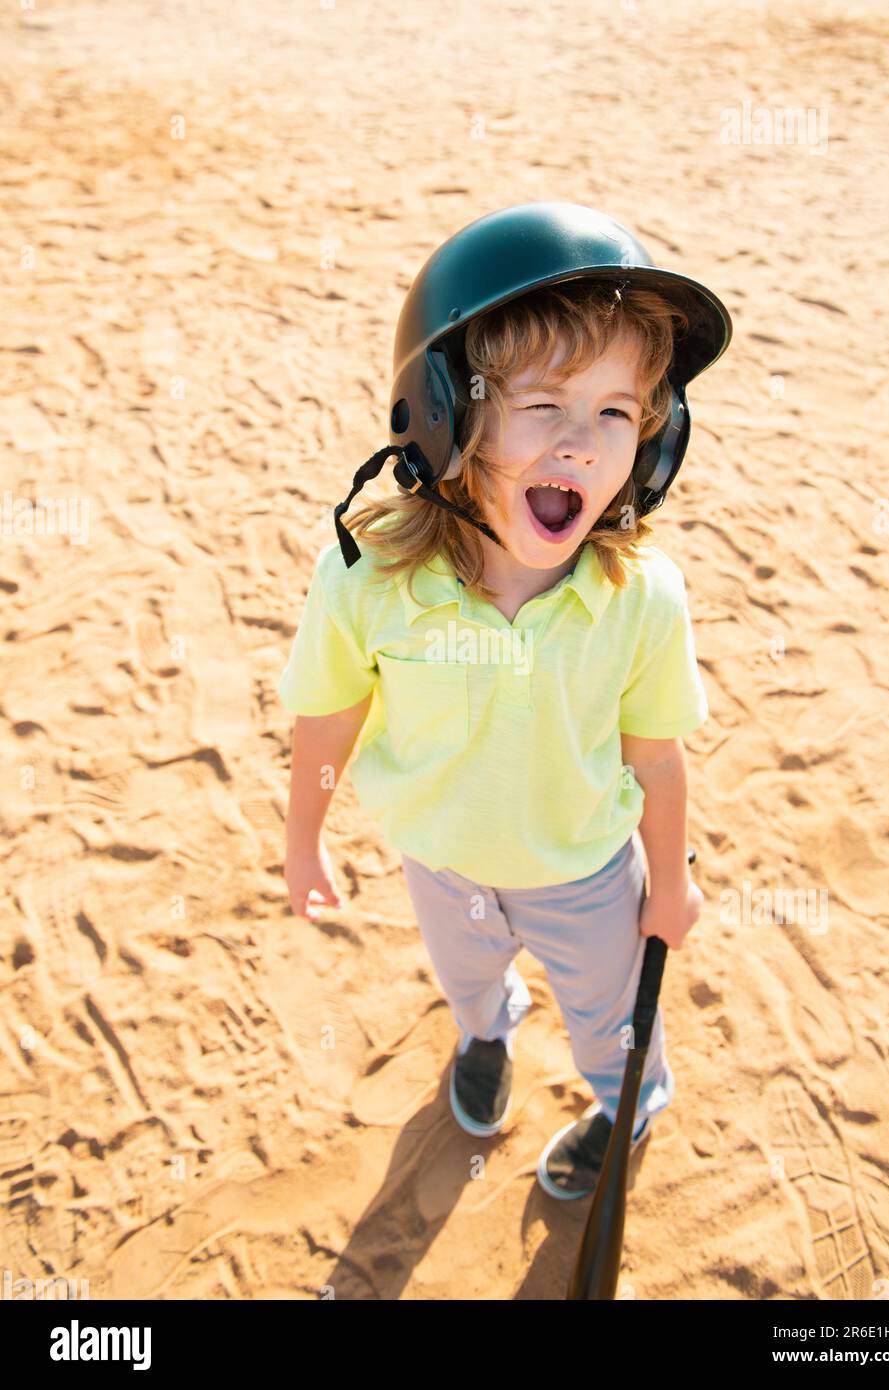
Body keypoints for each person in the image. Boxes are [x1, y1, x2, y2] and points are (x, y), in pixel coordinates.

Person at [277, 203, 732, 1199]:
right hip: (442, 862)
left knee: (614, 1020)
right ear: (443, 413)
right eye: (543, 406)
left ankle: (626, 1105)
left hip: (584, 871)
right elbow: (329, 718)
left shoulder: (638, 594)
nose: (583, 445)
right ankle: (488, 1033)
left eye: (618, 413)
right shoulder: (366, 582)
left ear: (655, 445)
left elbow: (655, 756)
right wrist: (303, 837)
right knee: (470, 983)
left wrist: (669, 880)